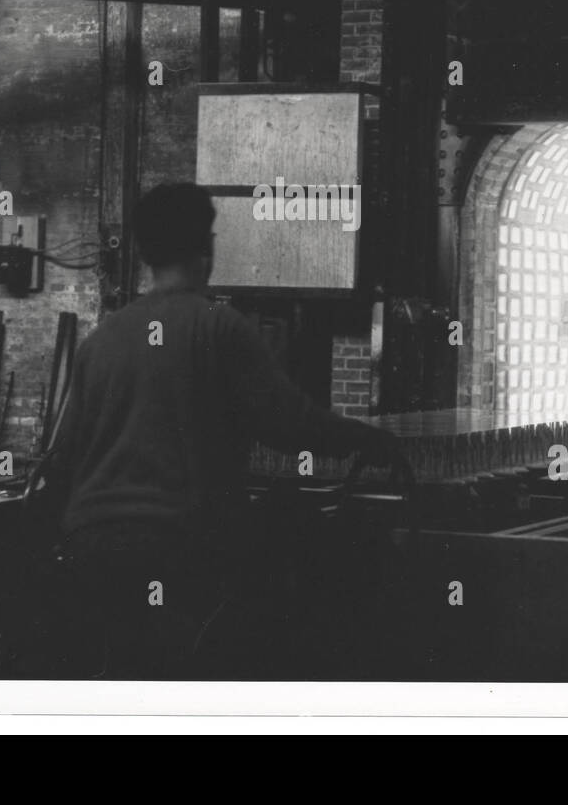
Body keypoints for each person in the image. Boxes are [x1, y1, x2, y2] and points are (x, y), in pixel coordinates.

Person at [46, 182, 399, 678]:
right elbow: (287, 422)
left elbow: (63, 458)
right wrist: (368, 439)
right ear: (206, 248)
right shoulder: (219, 327)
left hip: (92, 549)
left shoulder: (102, 338)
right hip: (179, 548)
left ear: (145, 252)